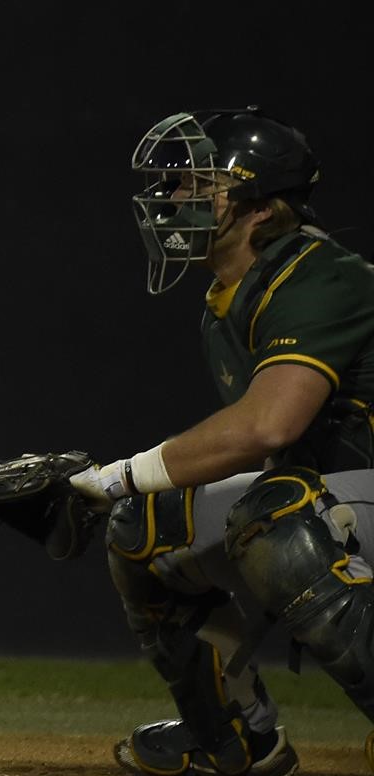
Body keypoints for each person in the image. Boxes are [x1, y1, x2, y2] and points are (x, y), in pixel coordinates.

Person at [67, 106, 374, 775]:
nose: (173, 199)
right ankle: (234, 736)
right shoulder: (230, 300)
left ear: (259, 208)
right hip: (359, 502)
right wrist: (103, 493)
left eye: (196, 187)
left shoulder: (321, 275)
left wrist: (110, 474)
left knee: (276, 517)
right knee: (144, 525)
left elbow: (269, 426)